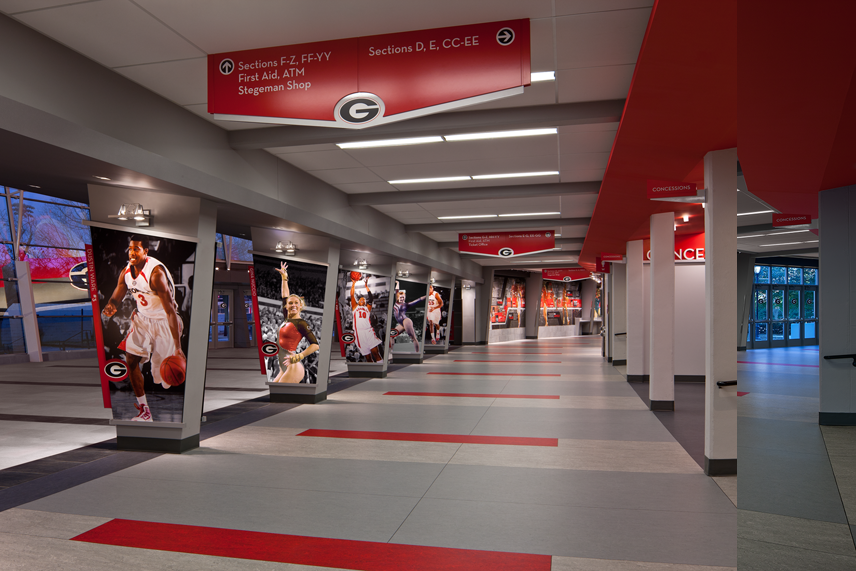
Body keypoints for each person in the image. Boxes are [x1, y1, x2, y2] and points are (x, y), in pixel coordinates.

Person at [102, 235, 183, 422]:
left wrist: (178, 347)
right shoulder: (126, 273)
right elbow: (116, 297)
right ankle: (145, 411)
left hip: (164, 320)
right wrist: (110, 306)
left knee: (165, 379)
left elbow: (170, 312)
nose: (132, 252)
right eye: (130, 248)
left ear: (145, 251)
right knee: (131, 360)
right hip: (143, 319)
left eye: (136, 249)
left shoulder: (156, 274)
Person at [272, 262, 319, 382]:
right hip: (284, 366)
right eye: (290, 303)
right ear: (286, 306)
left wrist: (299, 356)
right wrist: (284, 278)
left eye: (296, 303)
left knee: (280, 396)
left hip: (293, 366)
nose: (293, 305)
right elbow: (284, 296)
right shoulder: (287, 319)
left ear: (300, 306)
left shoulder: (301, 323)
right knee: (276, 394)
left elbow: (315, 345)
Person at [350, 274, 383, 362]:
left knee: (376, 353)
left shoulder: (367, 308)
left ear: (365, 302)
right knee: (368, 357)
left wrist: (366, 286)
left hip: (368, 331)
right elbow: (352, 295)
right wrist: (353, 284)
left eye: (363, 299)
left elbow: (371, 298)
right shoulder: (355, 307)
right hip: (358, 333)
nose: (362, 299)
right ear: (358, 301)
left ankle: (381, 370)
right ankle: (372, 373)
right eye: (360, 299)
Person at [392, 284, 426, 352]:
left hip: (405, 321)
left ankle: (417, 353)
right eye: (400, 297)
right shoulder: (396, 303)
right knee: (391, 335)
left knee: (413, 338)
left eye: (403, 297)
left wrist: (427, 296)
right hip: (401, 324)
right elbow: (397, 291)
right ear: (398, 298)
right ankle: (391, 351)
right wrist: (398, 283)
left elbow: (418, 300)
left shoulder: (406, 304)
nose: (402, 299)